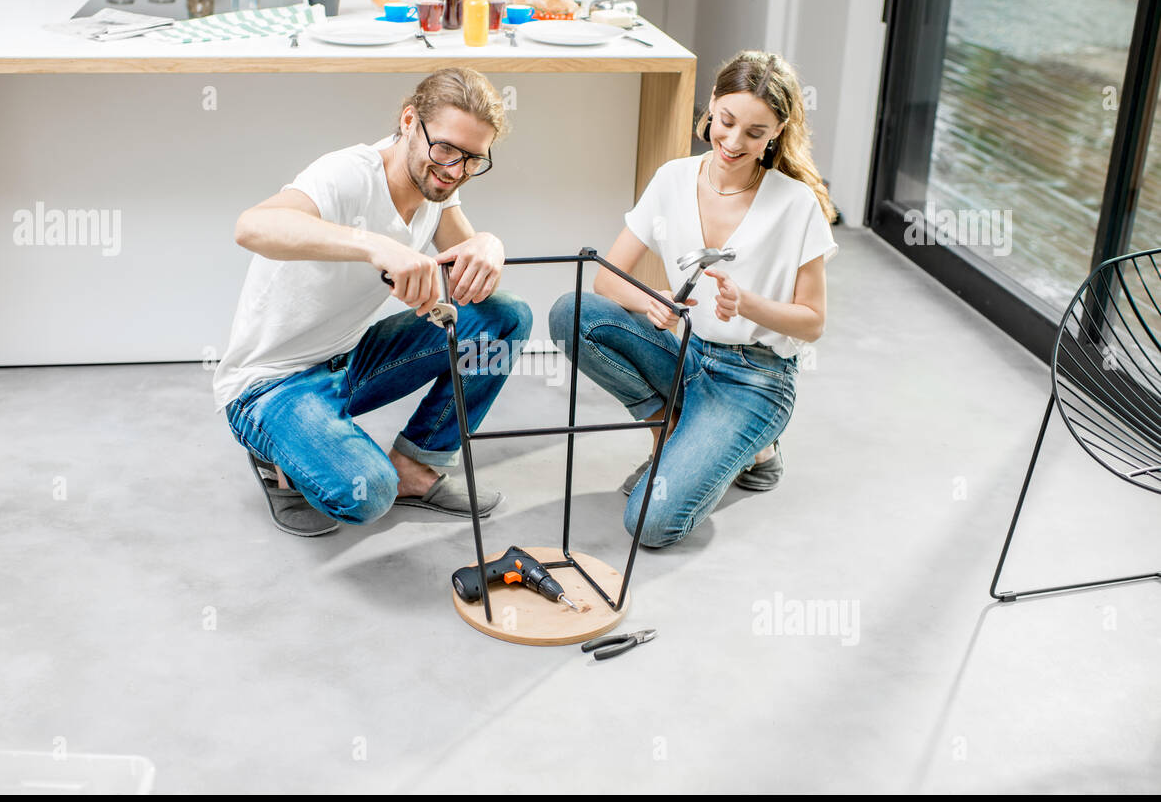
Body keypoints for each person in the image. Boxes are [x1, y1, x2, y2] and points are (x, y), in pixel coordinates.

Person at [214, 68, 532, 537]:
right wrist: (374, 245)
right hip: (270, 386)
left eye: (472, 159)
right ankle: (273, 453)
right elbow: (251, 227)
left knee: (504, 318)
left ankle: (415, 465)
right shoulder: (347, 175)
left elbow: (473, 288)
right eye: (444, 148)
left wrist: (489, 243)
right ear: (408, 121)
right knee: (367, 493)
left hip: (350, 362)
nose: (454, 171)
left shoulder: (439, 187)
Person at [548, 50, 837, 548]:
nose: (732, 141)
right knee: (570, 313)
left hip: (755, 380)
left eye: (754, 132)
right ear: (712, 105)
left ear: (777, 132)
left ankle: (758, 448)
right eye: (726, 121)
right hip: (688, 355)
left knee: (650, 524)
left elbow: (812, 323)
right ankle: (670, 427)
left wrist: (747, 304)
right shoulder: (674, 179)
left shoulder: (796, 203)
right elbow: (606, 280)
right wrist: (649, 299)